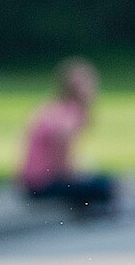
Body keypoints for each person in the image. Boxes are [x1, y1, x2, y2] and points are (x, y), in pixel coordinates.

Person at [18, 57, 117, 214]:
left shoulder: (57, 108)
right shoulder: (69, 115)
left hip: (34, 183)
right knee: (107, 186)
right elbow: (62, 165)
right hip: (42, 185)